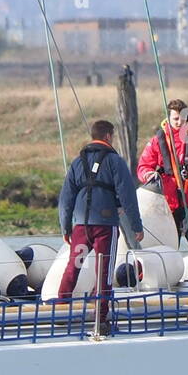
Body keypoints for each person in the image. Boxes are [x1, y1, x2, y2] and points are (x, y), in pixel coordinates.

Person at [56, 119, 144, 331]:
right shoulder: (115, 162)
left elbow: (65, 198)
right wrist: (136, 226)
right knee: (103, 271)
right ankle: (101, 318)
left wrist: (65, 227)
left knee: (73, 266)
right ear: (108, 137)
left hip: (80, 227)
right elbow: (128, 195)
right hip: (105, 226)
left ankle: (60, 309)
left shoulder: (78, 162)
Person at [137, 98, 188, 280]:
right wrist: (148, 175)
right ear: (169, 118)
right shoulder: (156, 142)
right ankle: (159, 278)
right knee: (165, 244)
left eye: (182, 120)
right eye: (175, 119)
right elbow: (143, 166)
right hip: (165, 205)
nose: (179, 123)